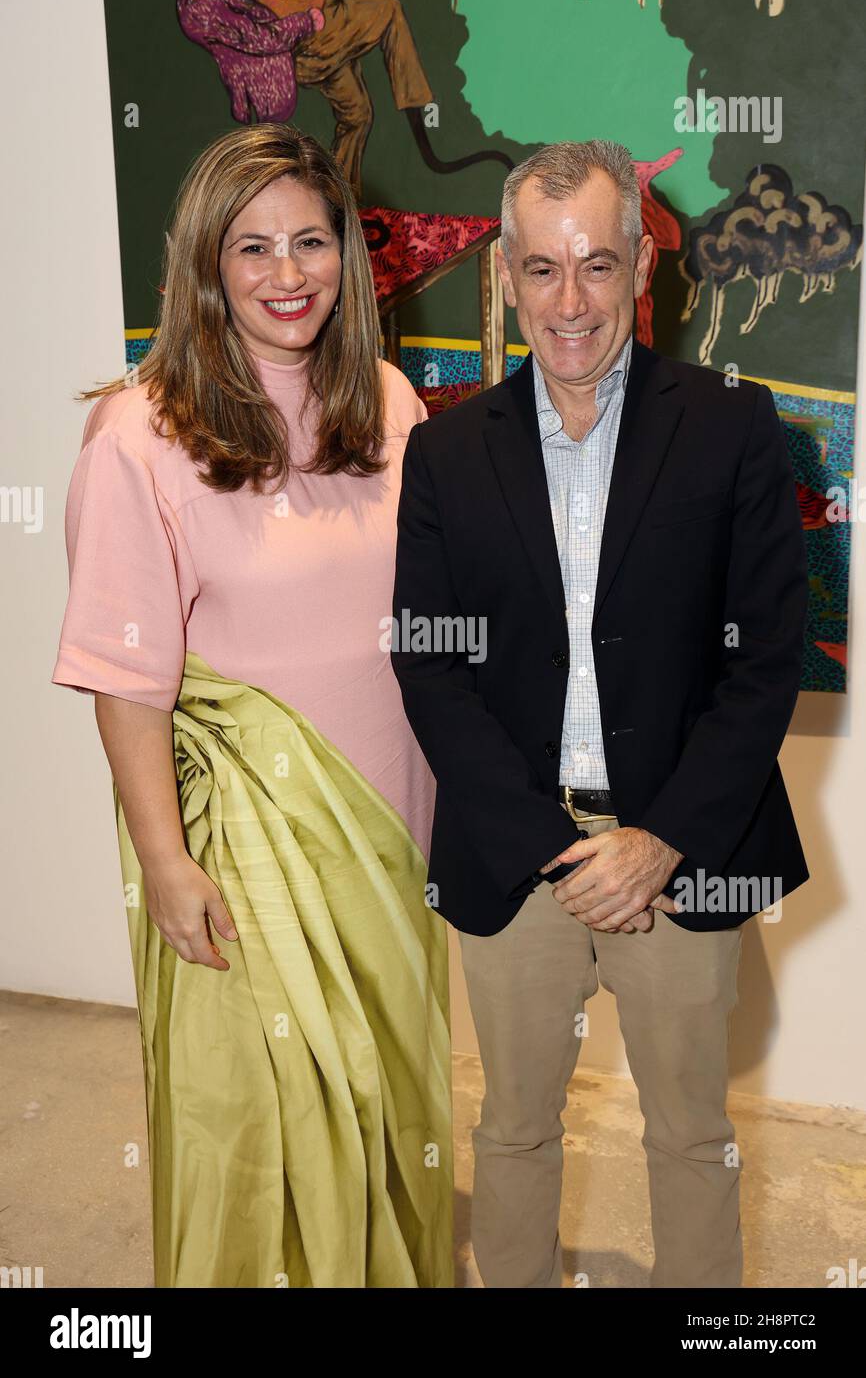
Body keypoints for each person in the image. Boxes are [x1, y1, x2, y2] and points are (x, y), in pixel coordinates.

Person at [390, 139, 809, 1289]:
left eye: (595, 265)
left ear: (641, 270)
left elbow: (764, 659)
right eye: (539, 269)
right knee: (512, 1129)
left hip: (680, 854)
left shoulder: (730, 425)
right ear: (506, 280)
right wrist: (549, 849)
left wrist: (658, 839)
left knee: (687, 1134)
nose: (567, 301)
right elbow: (430, 669)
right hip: (515, 861)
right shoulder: (442, 454)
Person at [51, 123, 452, 1289]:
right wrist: (163, 861)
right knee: (268, 1119)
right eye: (253, 247)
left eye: (312, 242)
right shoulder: (139, 433)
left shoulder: (384, 402)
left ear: (347, 254)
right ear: (204, 268)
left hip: (391, 823)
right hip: (241, 841)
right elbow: (126, 679)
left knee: (383, 1101)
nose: (289, 275)